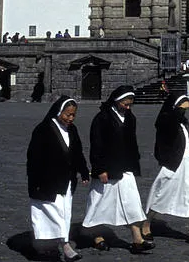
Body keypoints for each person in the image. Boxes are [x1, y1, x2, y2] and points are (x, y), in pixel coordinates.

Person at [82, 86, 153, 254]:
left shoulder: (130, 118)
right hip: (107, 169)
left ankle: (137, 239)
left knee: (133, 202)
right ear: (116, 101)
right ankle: (97, 236)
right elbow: (96, 145)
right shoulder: (102, 118)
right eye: (125, 104)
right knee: (99, 205)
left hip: (125, 168)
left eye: (130, 105)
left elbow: (132, 142)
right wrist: (100, 169)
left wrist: (135, 163)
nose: (128, 107)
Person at [27, 96, 89, 262]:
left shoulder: (72, 130)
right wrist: (36, 182)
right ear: (58, 112)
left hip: (66, 180)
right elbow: (34, 158)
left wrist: (83, 171)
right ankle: (65, 245)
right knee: (54, 213)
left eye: (73, 115)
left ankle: (51, 246)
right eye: (67, 115)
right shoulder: (43, 130)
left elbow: (77, 153)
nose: (70, 118)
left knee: (65, 213)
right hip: (47, 180)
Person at [142, 92, 189, 246]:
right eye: (182, 107)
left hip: (187, 163)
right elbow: (166, 130)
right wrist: (178, 108)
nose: (184, 111)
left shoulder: (183, 121)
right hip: (173, 163)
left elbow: (188, 138)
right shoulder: (166, 121)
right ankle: (146, 224)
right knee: (161, 193)